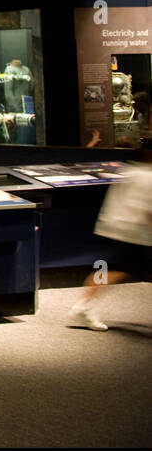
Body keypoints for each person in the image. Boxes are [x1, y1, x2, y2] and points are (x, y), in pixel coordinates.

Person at [66, 137, 152, 330]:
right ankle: (83, 306)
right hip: (133, 233)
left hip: (114, 227)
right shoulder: (148, 177)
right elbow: (144, 210)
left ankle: (84, 304)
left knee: (105, 269)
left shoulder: (130, 171)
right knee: (117, 270)